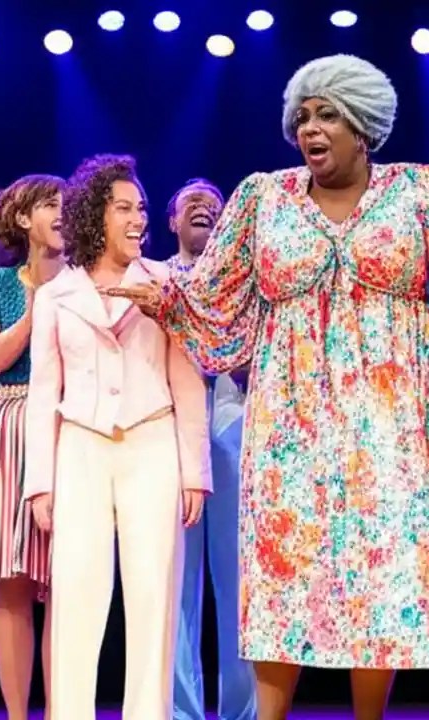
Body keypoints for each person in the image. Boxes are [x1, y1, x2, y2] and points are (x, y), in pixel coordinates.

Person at [111, 54, 429, 720]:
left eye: (328, 114)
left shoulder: (419, 191)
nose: (311, 128)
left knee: (380, 575)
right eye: (302, 116)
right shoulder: (262, 198)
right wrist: (166, 299)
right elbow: (213, 299)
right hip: (290, 421)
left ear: (364, 125)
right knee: (285, 576)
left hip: (393, 423)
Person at [22, 154, 212, 720]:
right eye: (123, 207)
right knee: (78, 594)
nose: (137, 219)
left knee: (154, 595)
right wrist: (39, 483)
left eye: (142, 209)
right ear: (93, 216)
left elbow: (187, 380)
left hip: (151, 443)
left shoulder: (163, 283)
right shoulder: (58, 294)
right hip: (80, 448)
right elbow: (42, 392)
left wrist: (192, 472)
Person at [0, 173, 65, 720]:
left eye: (68, 204)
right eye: (51, 204)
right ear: (25, 219)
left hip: (69, 427)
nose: (63, 212)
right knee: (13, 584)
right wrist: (34, 311)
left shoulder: (85, 279)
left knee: (67, 585)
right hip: (11, 425)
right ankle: (17, 714)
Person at [165, 179, 258, 720]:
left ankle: (243, 711)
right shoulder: (153, 278)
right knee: (176, 583)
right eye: (190, 205)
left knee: (238, 579)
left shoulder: (243, 285)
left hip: (231, 427)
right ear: (173, 223)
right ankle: (181, 711)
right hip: (171, 433)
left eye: (214, 206)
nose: (203, 209)